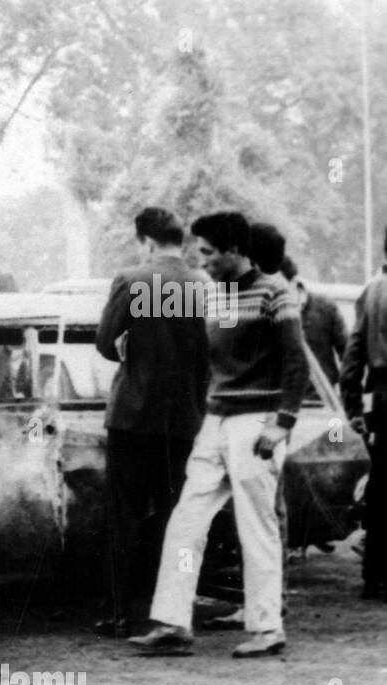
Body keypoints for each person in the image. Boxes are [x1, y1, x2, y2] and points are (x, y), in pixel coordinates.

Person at [130, 211, 308, 659]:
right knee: (187, 520)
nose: (201, 260)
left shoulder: (276, 292)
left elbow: (296, 362)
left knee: (257, 525)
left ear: (234, 251)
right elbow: (210, 359)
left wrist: (281, 422)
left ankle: (268, 628)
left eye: (208, 252)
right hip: (217, 421)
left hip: (257, 424)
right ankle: (172, 622)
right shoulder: (215, 296)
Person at [94, 208, 210, 638]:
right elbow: (218, 350)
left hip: (131, 415)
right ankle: (166, 611)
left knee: (122, 515)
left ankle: (117, 612)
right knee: (172, 516)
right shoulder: (207, 286)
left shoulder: (132, 279)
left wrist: (130, 352)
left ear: (144, 241)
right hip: (184, 420)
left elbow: (105, 341)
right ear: (182, 241)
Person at [340, 226, 387, 600]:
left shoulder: (373, 291)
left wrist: (353, 408)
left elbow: (352, 357)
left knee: (381, 487)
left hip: (382, 400)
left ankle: (374, 576)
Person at [278, 257, 345, 393]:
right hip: (280, 403)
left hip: (322, 402)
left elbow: (348, 353)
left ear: (294, 283)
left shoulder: (326, 307)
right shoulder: (268, 313)